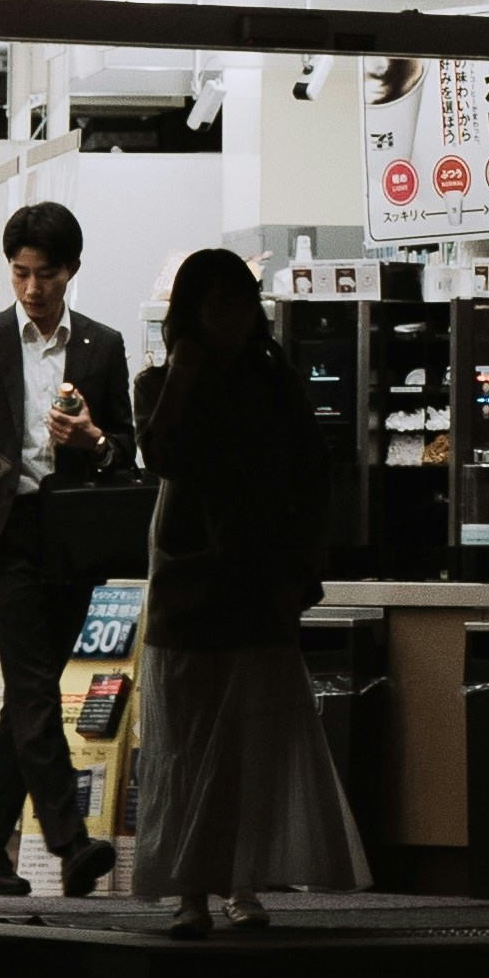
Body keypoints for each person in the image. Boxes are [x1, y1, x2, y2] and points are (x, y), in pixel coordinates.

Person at [132, 245, 364, 932]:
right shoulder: (162, 381)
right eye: (220, 305)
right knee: (187, 737)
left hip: (258, 577)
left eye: (242, 303)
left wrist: (303, 570)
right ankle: (192, 891)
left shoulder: (275, 384)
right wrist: (182, 373)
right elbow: (162, 455)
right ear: (193, 314)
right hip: (188, 581)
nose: (234, 318)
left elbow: (312, 476)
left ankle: (242, 882)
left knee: (248, 740)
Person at [0, 201, 136, 896]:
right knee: (38, 684)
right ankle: (69, 842)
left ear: (70, 271)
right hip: (6, 529)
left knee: (27, 696)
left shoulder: (101, 346)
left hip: (75, 535)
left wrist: (95, 441)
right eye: (20, 274)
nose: (32, 288)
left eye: (45, 274)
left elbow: (127, 451)